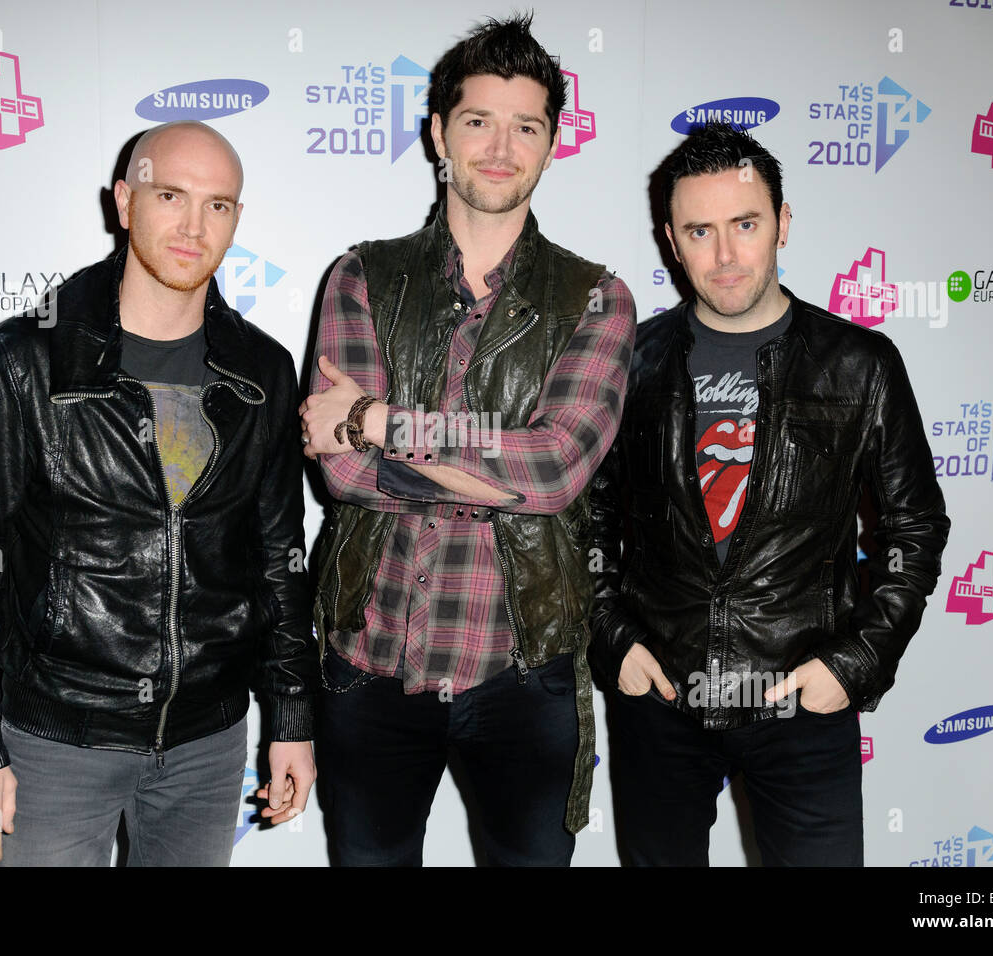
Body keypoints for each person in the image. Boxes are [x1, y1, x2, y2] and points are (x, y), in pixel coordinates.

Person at [0, 121, 317, 866]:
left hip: (206, 742)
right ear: (125, 201)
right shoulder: (24, 360)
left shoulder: (262, 369)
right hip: (55, 740)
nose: (193, 225)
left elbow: (278, 556)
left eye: (219, 205)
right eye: (171, 195)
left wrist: (293, 712)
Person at [299, 13, 635, 866]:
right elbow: (340, 472)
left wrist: (384, 424)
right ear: (437, 133)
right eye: (478, 120)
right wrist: (490, 465)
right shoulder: (360, 275)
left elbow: (557, 468)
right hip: (368, 664)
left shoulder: (597, 298)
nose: (500, 145)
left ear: (553, 144)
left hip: (524, 668)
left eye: (526, 125)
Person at [589, 123, 949, 866]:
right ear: (671, 239)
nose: (724, 256)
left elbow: (915, 531)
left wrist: (854, 664)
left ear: (783, 222)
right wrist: (611, 636)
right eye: (700, 231)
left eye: (745, 225)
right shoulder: (634, 362)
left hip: (800, 698)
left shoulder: (860, 365)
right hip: (661, 696)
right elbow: (583, 518)